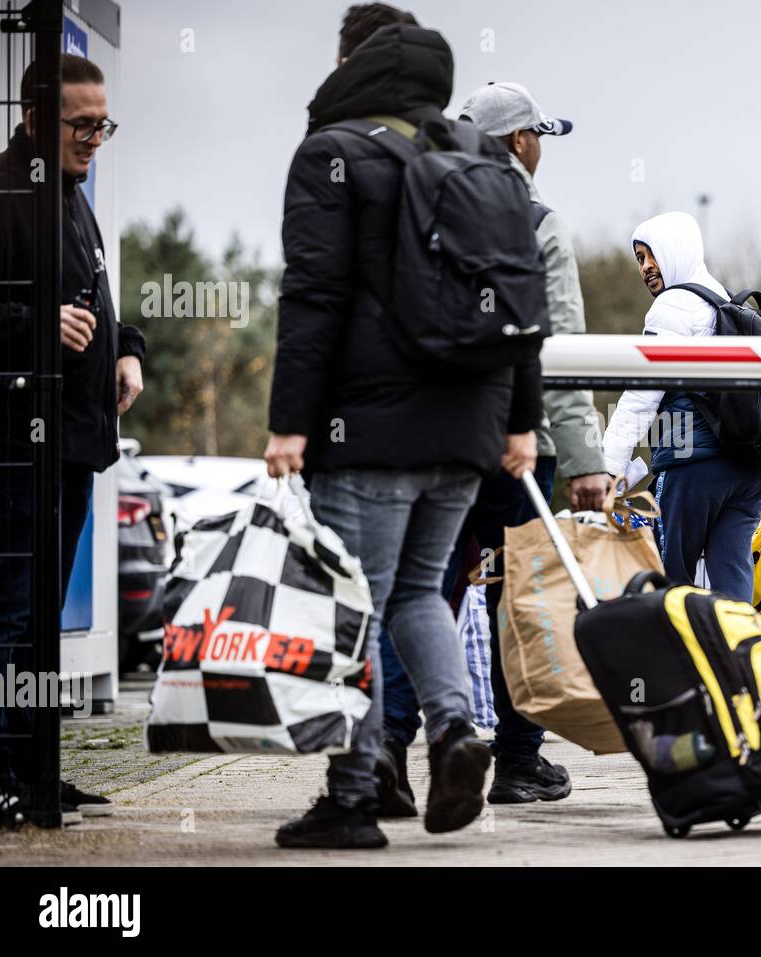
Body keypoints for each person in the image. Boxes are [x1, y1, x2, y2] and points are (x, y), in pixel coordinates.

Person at [264, 20, 543, 848]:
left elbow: (312, 295)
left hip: (369, 431)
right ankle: (457, 732)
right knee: (420, 593)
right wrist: (519, 420)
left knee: (355, 605)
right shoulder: (482, 156)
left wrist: (289, 423)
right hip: (467, 426)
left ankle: (352, 797)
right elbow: (527, 302)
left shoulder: (333, 154)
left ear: (357, 70)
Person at [373, 80, 610, 813]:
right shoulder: (536, 221)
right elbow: (556, 347)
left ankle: (386, 748)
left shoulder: (415, 213)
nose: (542, 147)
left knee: (421, 595)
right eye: (539, 134)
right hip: (516, 446)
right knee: (524, 603)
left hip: (429, 441)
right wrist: (583, 457)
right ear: (518, 143)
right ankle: (516, 760)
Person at [0, 54, 144, 823]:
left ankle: (33, 768)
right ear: (32, 118)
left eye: (102, 125)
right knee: (9, 615)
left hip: (74, 445)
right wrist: (36, 329)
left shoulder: (72, 195)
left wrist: (127, 348)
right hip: (14, 446)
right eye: (81, 125)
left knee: (39, 620)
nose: (95, 139)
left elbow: (93, 298)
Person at [602, 212, 761, 602]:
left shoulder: (670, 308)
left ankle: (680, 662)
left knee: (673, 583)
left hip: (692, 467)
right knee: (734, 583)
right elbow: (754, 400)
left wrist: (608, 467)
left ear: (673, 249)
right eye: (639, 259)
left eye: (650, 255)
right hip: (746, 474)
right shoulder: (727, 302)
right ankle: (735, 660)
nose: (645, 268)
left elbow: (641, 394)